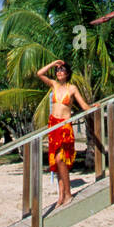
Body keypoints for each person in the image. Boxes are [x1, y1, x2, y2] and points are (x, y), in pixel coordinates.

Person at [36, 59, 90, 207]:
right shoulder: (54, 85)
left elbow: (83, 105)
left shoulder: (72, 88)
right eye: (58, 70)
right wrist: (53, 63)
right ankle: (61, 196)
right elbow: (39, 73)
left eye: (62, 70)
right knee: (56, 162)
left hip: (65, 127)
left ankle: (68, 193)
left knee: (61, 160)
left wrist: (93, 106)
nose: (59, 72)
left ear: (67, 73)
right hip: (53, 126)